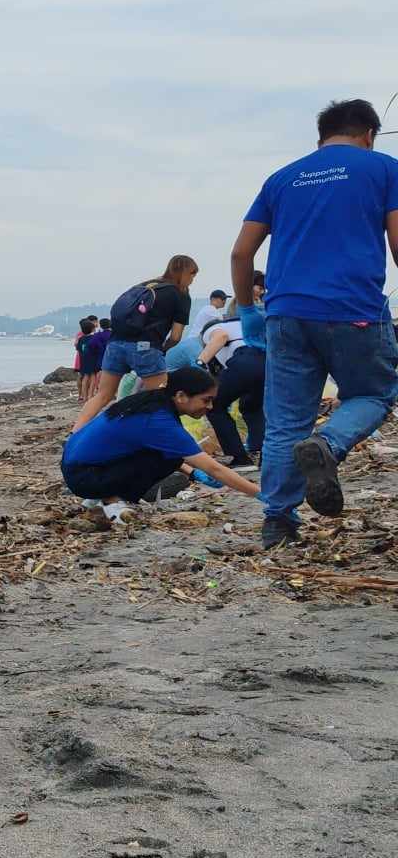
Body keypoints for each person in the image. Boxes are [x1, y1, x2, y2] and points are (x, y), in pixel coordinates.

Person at [230, 98, 398, 548]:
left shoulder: (283, 178)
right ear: (368, 135)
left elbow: (242, 253)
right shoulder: (384, 168)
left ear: (320, 138)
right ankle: (330, 443)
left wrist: (248, 309)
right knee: (374, 393)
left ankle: (278, 521)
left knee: (285, 420)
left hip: (285, 313)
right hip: (354, 309)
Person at [62, 366, 260, 523]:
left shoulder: (150, 403)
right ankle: (111, 501)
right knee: (170, 457)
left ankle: (97, 497)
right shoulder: (159, 420)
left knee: (170, 456)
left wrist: (192, 474)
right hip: (84, 476)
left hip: (77, 467)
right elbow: (214, 468)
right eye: (206, 400)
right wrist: (263, 495)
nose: (209, 407)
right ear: (181, 396)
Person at [71, 255, 198, 432]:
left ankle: (75, 432)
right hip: (146, 347)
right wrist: (162, 349)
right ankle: (169, 439)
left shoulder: (144, 285)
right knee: (164, 397)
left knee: (103, 395)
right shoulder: (181, 294)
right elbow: (176, 336)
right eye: (192, 274)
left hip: (115, 344)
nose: (193, 280)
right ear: (184, 273)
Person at [197, 275, 267, 468]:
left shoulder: (215, 327)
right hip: (269, 364)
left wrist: (200, 362)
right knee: (252, 407)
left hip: (245, 360)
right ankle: (266, 456)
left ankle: (239, 458)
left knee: (215, 406)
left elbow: (221, 338)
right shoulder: (252, 324)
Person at [74, 316, 102, 401]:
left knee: (85, 377)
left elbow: (78, 348)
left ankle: (84, 396)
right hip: (92, 360)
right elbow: (98, 348)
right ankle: (90, 395)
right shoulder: (94, 338)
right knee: (93, 377)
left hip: (83, 360)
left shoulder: (81, 338)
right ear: (92, 329)